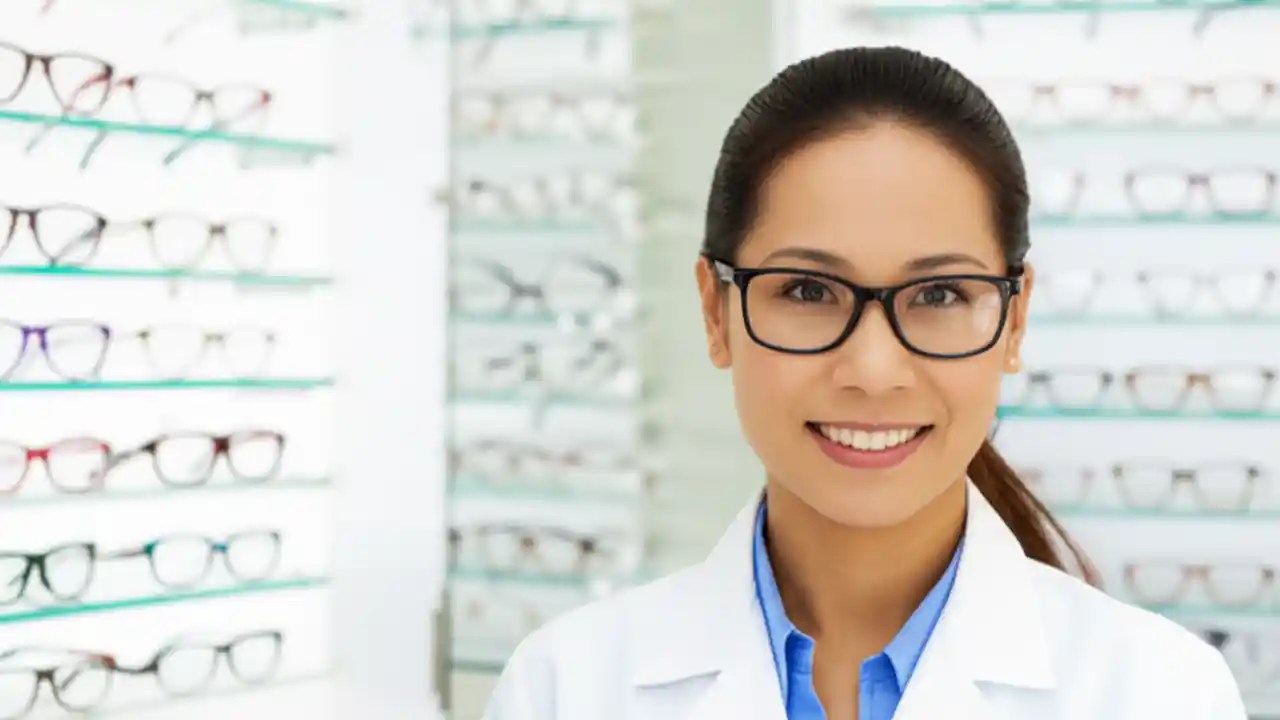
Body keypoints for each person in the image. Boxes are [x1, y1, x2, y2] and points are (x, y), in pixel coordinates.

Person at [482, 46, 1246, 720]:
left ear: (1014, 323)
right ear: (716, 312)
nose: (874, 372)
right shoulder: (564, 691)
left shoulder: (1163, 695)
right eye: (809, 292)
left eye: (941, 295)